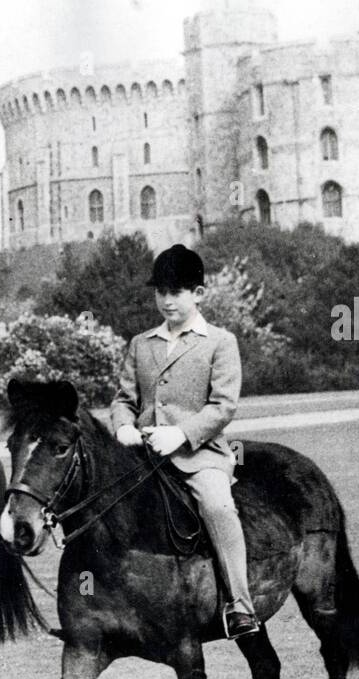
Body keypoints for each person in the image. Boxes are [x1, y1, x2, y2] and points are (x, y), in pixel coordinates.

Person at [109, 243, 259, 638]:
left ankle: (240, 606)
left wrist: (182, 433)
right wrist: (123, 425)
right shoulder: (141, 343)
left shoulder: (220, 342)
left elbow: (224, 406)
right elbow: (124, 399)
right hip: (142, 455)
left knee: (218, 505)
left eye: (175, 292)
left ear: (198, 294)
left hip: (199, 455)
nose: (166, 301)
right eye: (160, 292)